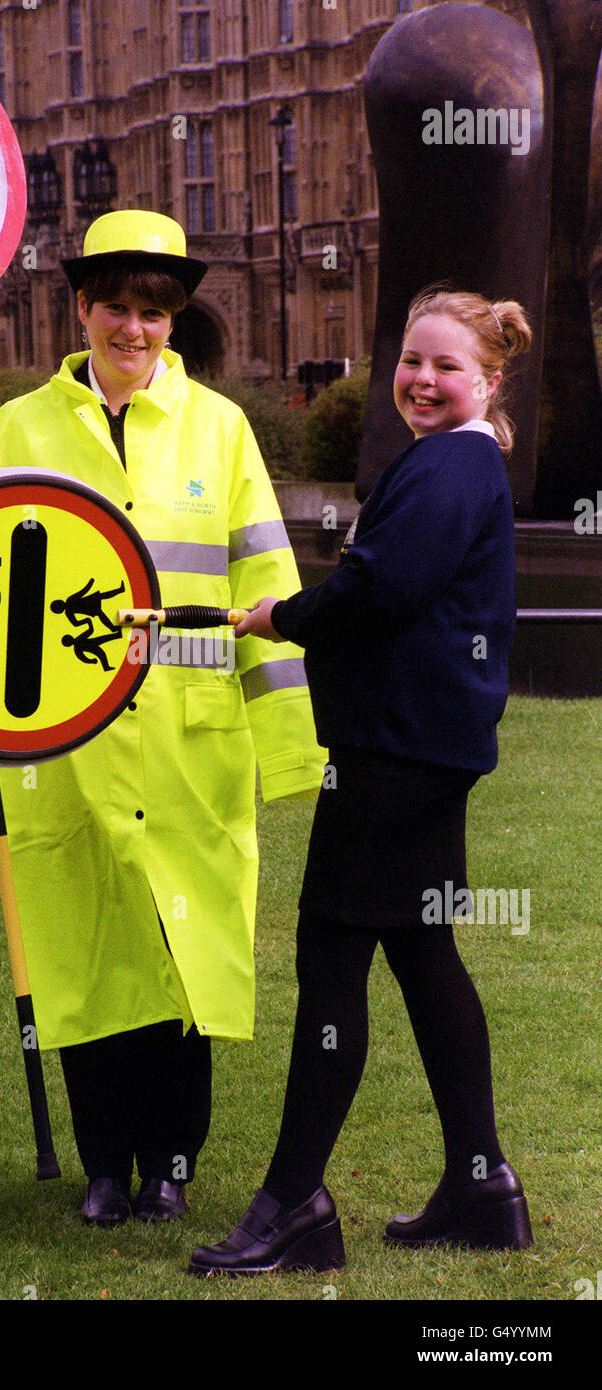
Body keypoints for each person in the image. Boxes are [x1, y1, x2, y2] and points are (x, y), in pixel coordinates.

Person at [0, 210, 325, 1226]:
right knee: (79, 951)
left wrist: (288, 745)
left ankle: (171, 1162)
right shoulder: (18, 428)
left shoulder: (218, 430)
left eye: (154, 312)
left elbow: (265, 579)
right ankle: (103, 1164)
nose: (134, 328)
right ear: (82, 306)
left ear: (173, 320)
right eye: (117, 307)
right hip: (65, 739)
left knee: (178, 959)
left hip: (188, 737)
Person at [189, 286, 535, 1276]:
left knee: (332, 961)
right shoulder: (456, 462)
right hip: (423, 752)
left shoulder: (451, 465)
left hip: (393, 758)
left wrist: (284, 615)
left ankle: (294, 1202)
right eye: (412, 361)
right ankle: (481, 1185)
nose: (422, 380)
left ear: (487, 380)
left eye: (446, 367)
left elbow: (383, 585)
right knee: (425, 958)